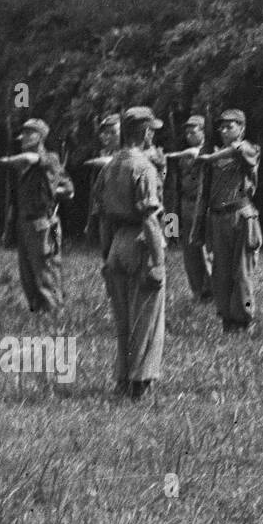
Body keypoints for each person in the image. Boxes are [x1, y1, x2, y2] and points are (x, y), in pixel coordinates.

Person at [96, 107, 167, 400]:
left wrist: (106, 256)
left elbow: (102, 218)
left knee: (123, 319)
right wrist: (159, 262)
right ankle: (141, 383)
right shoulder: (143, 167)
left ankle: (122, 379)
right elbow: (150, 218)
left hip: (116, 243)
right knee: (147, 317)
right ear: (147, 132)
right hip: (140, 240)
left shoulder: (109, 166)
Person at [191, 109, 262, 334]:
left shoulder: (249, 149)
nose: (224, 130)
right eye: (221, 127)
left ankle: (245, 320)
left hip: (241, 216)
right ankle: (227, 319)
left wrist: (210, 157)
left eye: (230, 126)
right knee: (220, 273)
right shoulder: (215, 155)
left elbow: (239, 149)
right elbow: (204, 193)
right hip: (218, 218)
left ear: (242, 128)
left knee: (242, 273)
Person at [0, 118, 74, 313]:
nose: (22, 138)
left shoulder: (50, 158)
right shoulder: (23, 167)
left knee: (46, 272)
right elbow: (16, 200)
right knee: (27, 274)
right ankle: (38, 314)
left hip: (42, 222)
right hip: (25, 224)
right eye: (22, 134)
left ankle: (55, 314)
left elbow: (68, 189)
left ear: (40, 137)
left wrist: (51, 193)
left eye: (27, 134)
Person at [168, 116, 212, 303]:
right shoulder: (182, 158)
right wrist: (172, 226)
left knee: (207, 251)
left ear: (203, 132)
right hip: (186, 205)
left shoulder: (209, 152)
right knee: (190, 253)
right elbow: (173, 191)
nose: (189, 135)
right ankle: (197, 293)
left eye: (193, 131)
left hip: (205, 206)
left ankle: (212, 292)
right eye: (186, 132)